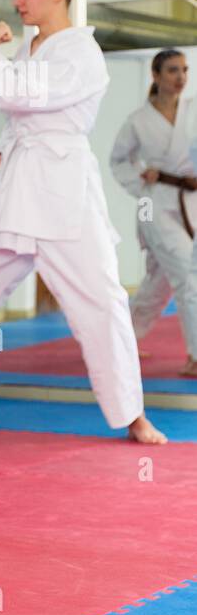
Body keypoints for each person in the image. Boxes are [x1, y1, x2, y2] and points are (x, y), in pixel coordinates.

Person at [0, 0, 166, 444]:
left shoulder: (80, 52)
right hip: (16, 191)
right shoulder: (31, 48)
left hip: (64, 196)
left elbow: (22, 95)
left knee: (100, 304)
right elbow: (25, 117)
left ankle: (132, 415)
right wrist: (1, 154)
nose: (17, 1)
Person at [110, 50, 197, 374]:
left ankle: (123, 340)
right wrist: (140, 181)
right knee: (190, 272)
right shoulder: (138, 120)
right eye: (173, 70)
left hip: (190, 200)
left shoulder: (193, 110)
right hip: (154, 204)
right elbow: (118, 160)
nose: (181, 77)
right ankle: (196, 356)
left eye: (185, 70)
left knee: (158, 281)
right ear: (156, 75)